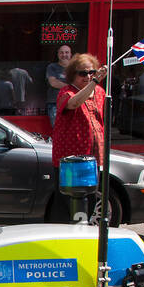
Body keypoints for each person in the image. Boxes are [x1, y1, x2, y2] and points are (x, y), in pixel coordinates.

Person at [51, 52, 107, 221]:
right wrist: (94, 82)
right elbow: (74, 102)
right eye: (83, 73)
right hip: (71, 160)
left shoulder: (99, 92)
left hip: (93, 158)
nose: (88, 76)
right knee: (71, 203)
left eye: (91, 72)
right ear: (72, 75)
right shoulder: (66, 92)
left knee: (89, 199)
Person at [45, 44, 72, 123]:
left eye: (67, 52)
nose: (64, 55)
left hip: (72, 103)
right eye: (61, 53)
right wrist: (71, 86)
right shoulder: (52, 67)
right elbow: (53, 83)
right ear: (58, 54)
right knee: (57, 129)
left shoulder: (75, 68)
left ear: (70, 54)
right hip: (55, 104)